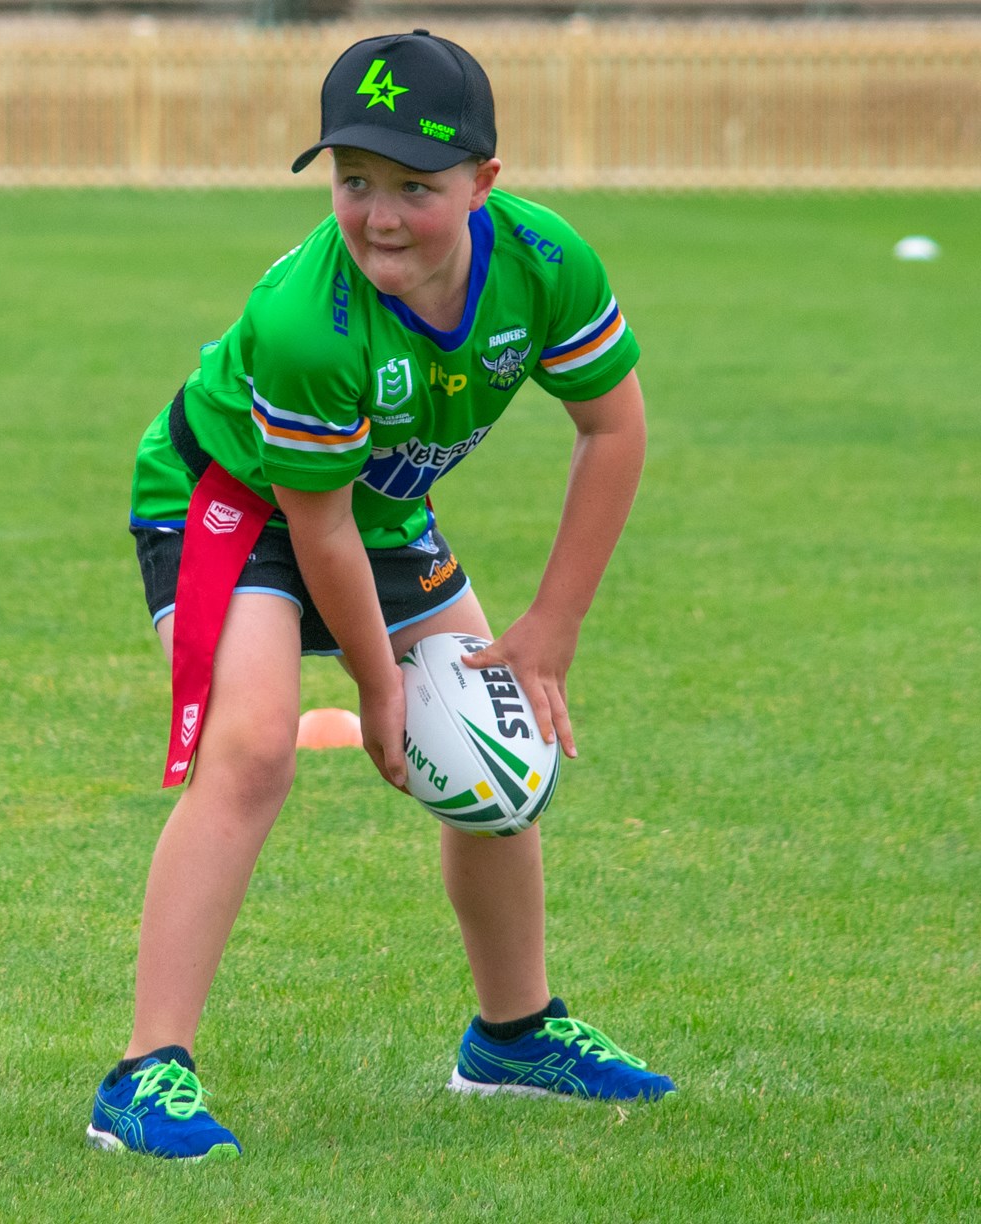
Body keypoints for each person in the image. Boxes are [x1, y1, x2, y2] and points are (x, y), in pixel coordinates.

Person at [87, 29, 675, 1162]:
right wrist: (377, 686)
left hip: (379, 516)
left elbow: (614, 426)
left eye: (418, 186)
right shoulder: (315, 319)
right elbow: (314, 529)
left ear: (484, 185)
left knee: (498, 760)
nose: (383, 215)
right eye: (356, 183)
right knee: (254, 749)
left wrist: (547, 631)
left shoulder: (546, 266)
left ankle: (512, 1036)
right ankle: (144, 1073)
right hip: (231, 503)